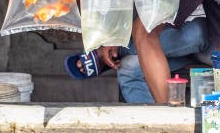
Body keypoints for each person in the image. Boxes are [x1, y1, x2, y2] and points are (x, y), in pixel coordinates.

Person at [65, 14, 212, 103]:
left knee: (195, 33)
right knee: (126, 68)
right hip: (183, 51)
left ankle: (120, 49)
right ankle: (155, 127)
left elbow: (200, 33)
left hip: (212, 42)